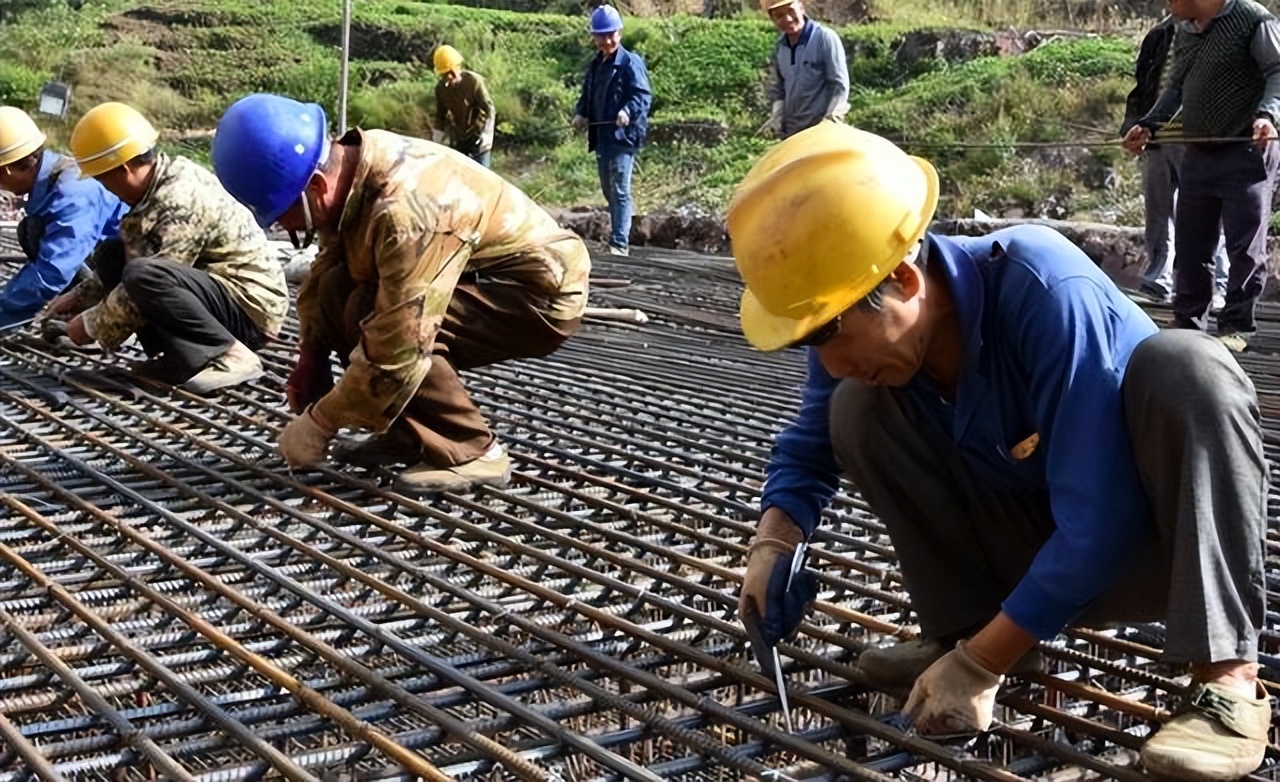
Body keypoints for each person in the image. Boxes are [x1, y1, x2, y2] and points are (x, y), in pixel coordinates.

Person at [733, 123, 1269, 782]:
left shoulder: (1041, 286)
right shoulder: (858, 326)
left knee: (1190, 367)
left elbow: (1101, 521)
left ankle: (1227, 681)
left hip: (1157, 546)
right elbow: (812, 442)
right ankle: (968, 629)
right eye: (810, 340)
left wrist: (982, 665)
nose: (831, 361)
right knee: (856, 407)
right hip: (1045, 547)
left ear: (903, 278)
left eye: (830, 333)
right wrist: (774, 541)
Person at [211, 93, 591, 495]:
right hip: (477, 274)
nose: (284, 228)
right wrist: (311, 353)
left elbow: (398, 347)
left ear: (317, 186)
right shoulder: (354, 167)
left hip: (536, 294)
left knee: (375, 319)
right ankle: (413, 435)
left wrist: (321, 422)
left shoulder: (406, 214)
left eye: (283, 215)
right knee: (339, 291)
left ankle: (471, 450)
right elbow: (326, 272)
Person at [40, 102, 288, 394]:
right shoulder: (157, 186)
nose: (106, 189)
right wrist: (79, 298)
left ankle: (232, 355)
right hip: (217, 294)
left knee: (143, 275)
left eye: (103, 179)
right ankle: (181, 359)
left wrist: (90, 326)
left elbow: (151, 278)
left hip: (250, 311)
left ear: (123, 169)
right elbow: (137, 256)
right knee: (112, 255)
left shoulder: (181, 198)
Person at [1123, 0, 1280, 353]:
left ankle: (1236, 327)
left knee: (1244, 245)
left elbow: (1277, 72)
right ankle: (1189, 322)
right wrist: (1148, 125)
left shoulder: (1252, 20)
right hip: (1199, 151)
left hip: (1245, 149)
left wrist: (1268, 115)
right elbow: (1176, 87)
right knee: (1191, 244)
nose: (1168, 3)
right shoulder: (1185, 31)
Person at [1120, 15, 1229, 309]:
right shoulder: (1160, 34)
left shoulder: (1220, 30)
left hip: (1200, 140)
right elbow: (1142, 87)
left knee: (1209, 214)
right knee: (1158, 214)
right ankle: (1159, 281)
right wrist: (1133, 126)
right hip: (1157, 138)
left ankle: (1218, 284)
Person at [0, 106, 124, 329]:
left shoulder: (72, 194)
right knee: (30, 229)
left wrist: (3, 309)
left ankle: (93, 318)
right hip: (100, 261)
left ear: (6, 169)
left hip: (126, 273)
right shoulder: (55, 178)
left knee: (35, 234)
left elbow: (53, 271)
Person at [572, 5, 651, 257]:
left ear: (619, 33)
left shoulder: (630, 62)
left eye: (610, 35)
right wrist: (581, 113)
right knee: (609, 189)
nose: (606, 40)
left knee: (619, 189)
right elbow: (588, 93)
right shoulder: (596, 64)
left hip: (623, 138)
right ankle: (622, 228)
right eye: (601, 36)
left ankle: (619, 243)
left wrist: (627, 110)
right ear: (594, 37)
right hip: (602, 137)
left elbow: (642, 96)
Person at [757, 0, 849, 140]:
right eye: (780, 15)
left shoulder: (824, 38)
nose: (788, 19)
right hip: (791, 132)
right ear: (773, 19)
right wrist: (776, 117)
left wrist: (831, 118)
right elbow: (779, 90)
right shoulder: (781, 47)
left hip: (820, 131)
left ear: (801, 8)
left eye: (791, 11)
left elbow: (839, 85)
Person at [432, 44, 496, 168]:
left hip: (478, 138)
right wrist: (437, 139)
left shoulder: (473, 82)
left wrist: (487, 135)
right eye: (445, 75)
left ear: (458, 67)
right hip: (459, 139)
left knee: (480, 175)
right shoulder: (441, 89)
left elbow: (489, 109)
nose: (449, 77)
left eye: (451, 73)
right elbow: (440, 116)